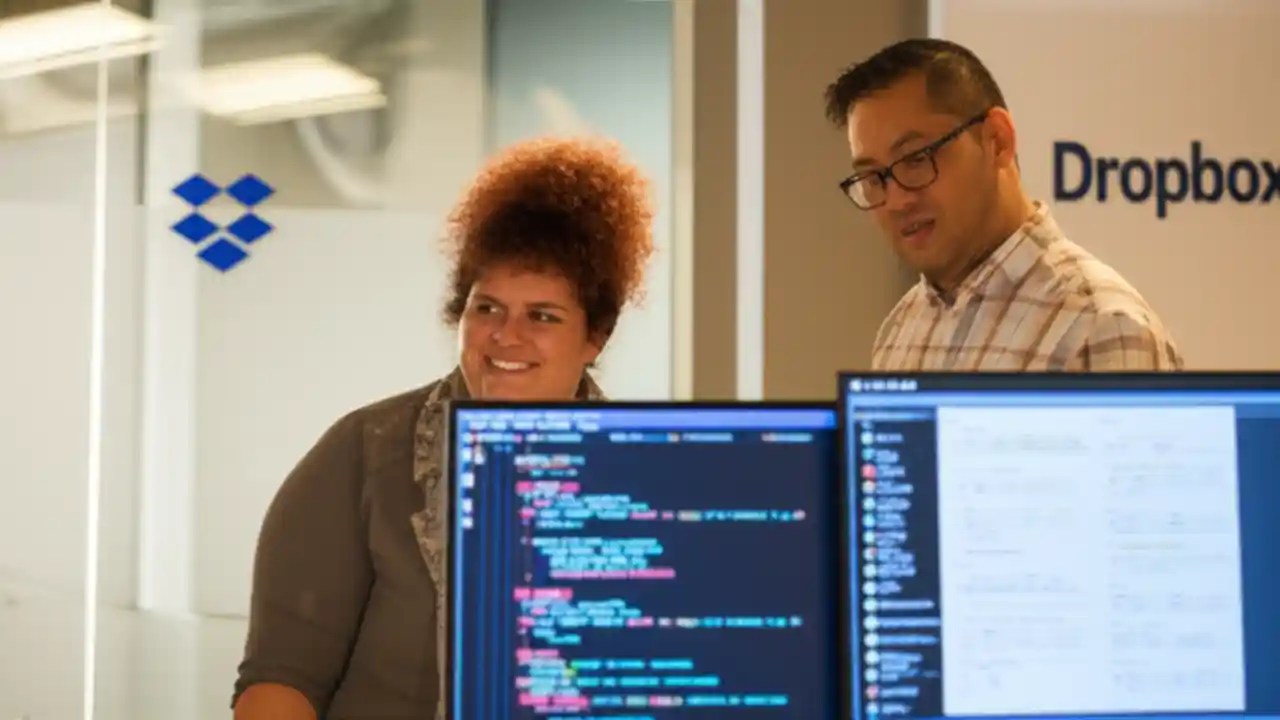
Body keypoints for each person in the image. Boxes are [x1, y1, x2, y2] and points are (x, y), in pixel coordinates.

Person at [231, 136, 654, 719]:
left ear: (595, 338)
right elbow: (279, 682)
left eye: (542, 316)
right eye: (488, 308)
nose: (506, 335)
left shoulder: (651, 476)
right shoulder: (366, 452)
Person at [823, 38, 1183, 371]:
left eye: (916, 159)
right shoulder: (901, 328)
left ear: (997, 140)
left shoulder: (1100, 328)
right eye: (873, 178)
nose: (897, 201)